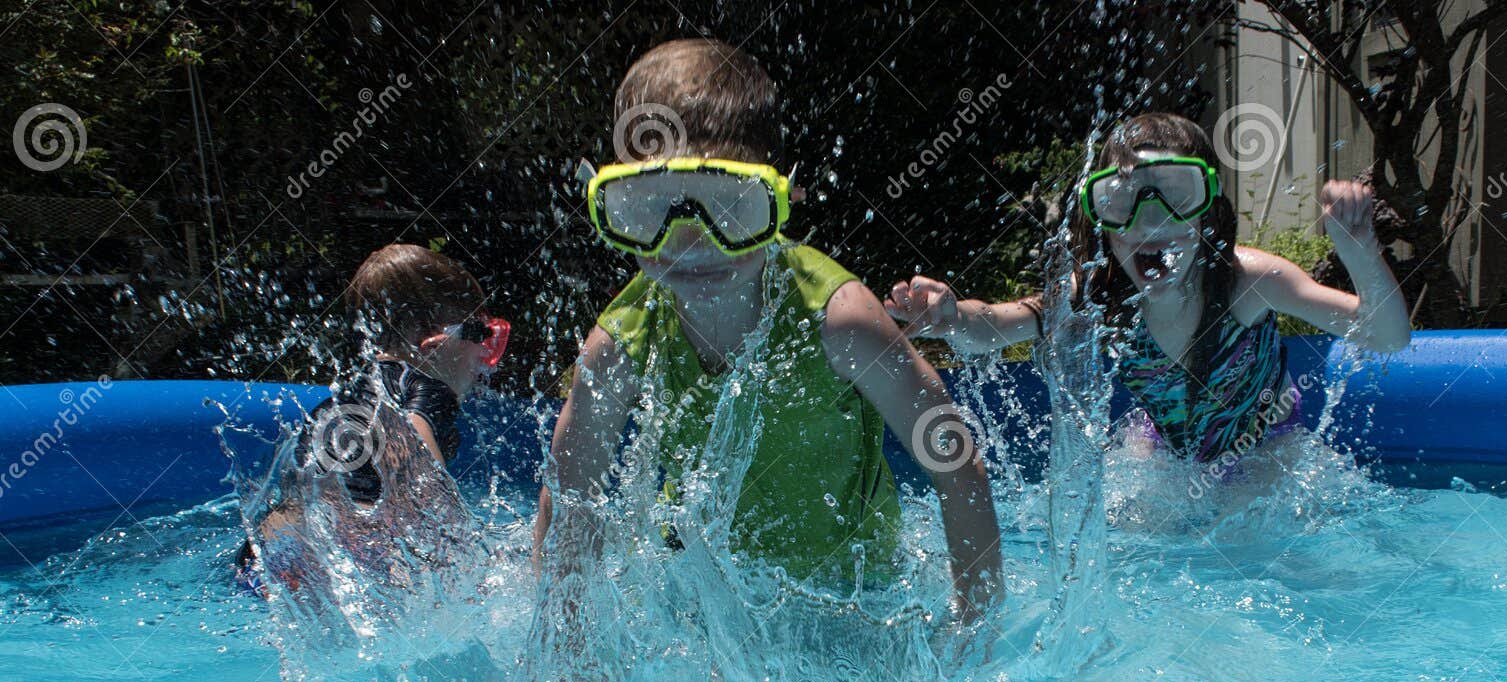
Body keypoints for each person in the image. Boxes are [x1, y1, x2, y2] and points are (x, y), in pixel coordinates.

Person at [534, 38, 1003, 624]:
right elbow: (571, 495)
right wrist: (568, 645)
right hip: (701, 605)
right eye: (654, 211)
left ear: (784, 197)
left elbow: (954, 462)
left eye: (729, 209)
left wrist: (975, 626)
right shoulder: (622, 341)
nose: (691, 245)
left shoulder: (841, 322)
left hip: (855, 602)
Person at [884, 112, 1412, 466]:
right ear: (1102, 220)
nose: (1148, 222)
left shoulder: (1248, 283)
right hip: (1158, 450)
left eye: (1176, 195)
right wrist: (952, 318)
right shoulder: (1097, 292)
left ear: (1207, 212)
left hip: (1265, 450)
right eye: (1123, 200)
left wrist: (1360, 249)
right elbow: (996, 326)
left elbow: (1385, 336)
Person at [236, 243, 509, 594]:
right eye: (480, 335)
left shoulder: (346, 395)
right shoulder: (426, 391)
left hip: (264, 559)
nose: (488, 354)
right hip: (339, 559)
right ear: (435, 342)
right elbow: (429, 493)